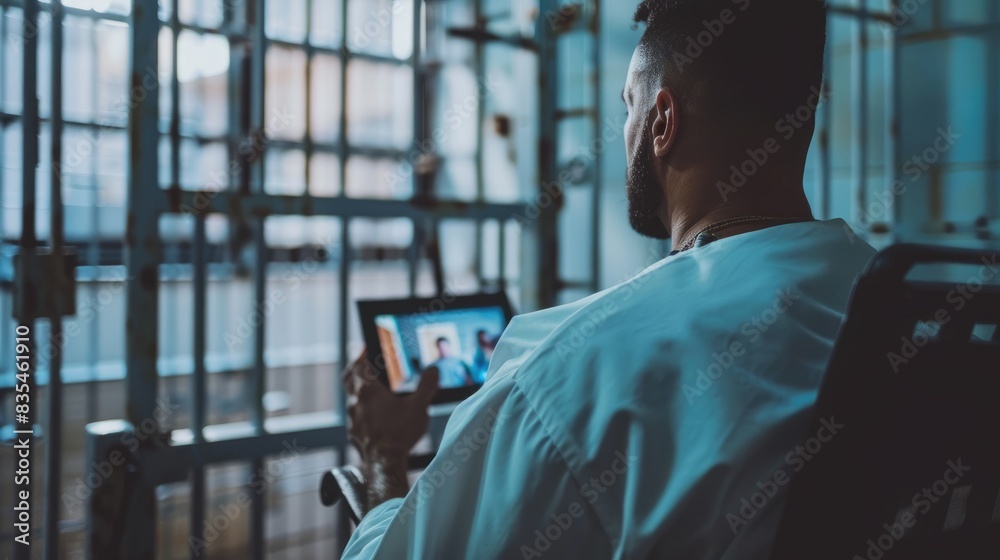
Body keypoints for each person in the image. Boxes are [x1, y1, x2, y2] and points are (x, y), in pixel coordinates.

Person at [342, 0, 874, 557]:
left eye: (628, 106)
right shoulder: (892, 299)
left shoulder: (562, 379)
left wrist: (383, 459)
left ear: (662, 122)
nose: (625, 130)